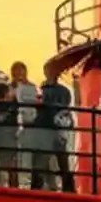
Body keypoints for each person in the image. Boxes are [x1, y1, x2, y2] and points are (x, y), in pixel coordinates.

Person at [30, 63, 76, 193]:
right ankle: (68, 188)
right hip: (55, 127)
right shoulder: (63, 91)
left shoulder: (41, 90)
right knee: (61, 160)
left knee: (41, 160)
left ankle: (36, 188)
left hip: (45, 127)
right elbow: (65, 108)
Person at [9, 62, 40, 188]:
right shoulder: (10, 88)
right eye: (17, 72)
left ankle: (30, 184)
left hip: (30, 124)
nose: (20, 75)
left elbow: (36, 103)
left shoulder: (32, 87)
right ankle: (15, 184)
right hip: (14, 126)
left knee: (29, 157)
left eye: (21, 72)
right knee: (15, 158)